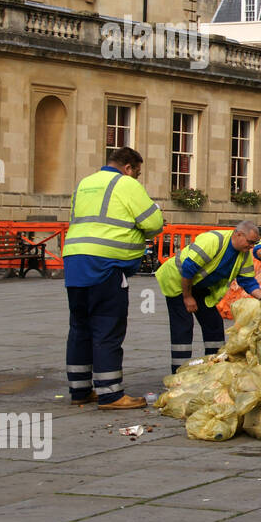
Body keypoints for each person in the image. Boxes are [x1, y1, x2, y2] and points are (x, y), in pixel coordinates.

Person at [61, 147, 164, 408]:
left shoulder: (84, 183)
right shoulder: (125, 184)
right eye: (137, 173)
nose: (137, 177)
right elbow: (153, 223)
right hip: (106, 265)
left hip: (74, 260)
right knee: (107, 327)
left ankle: (80, 390)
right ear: (128, 168)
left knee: (79, 327)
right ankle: (111, 394)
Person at [155, 220, 261, 373]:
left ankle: (215, 366)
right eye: (250, 242)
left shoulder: (243, 254)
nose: (251, 247)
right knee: (183, 326)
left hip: (201, 286)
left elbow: (247, 280)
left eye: (254, 243)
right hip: (178, 283)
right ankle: (179, 373)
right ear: (238, 234)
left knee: (214, 324)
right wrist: (187, 297)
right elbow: (188, 269)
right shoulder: (213, 241)